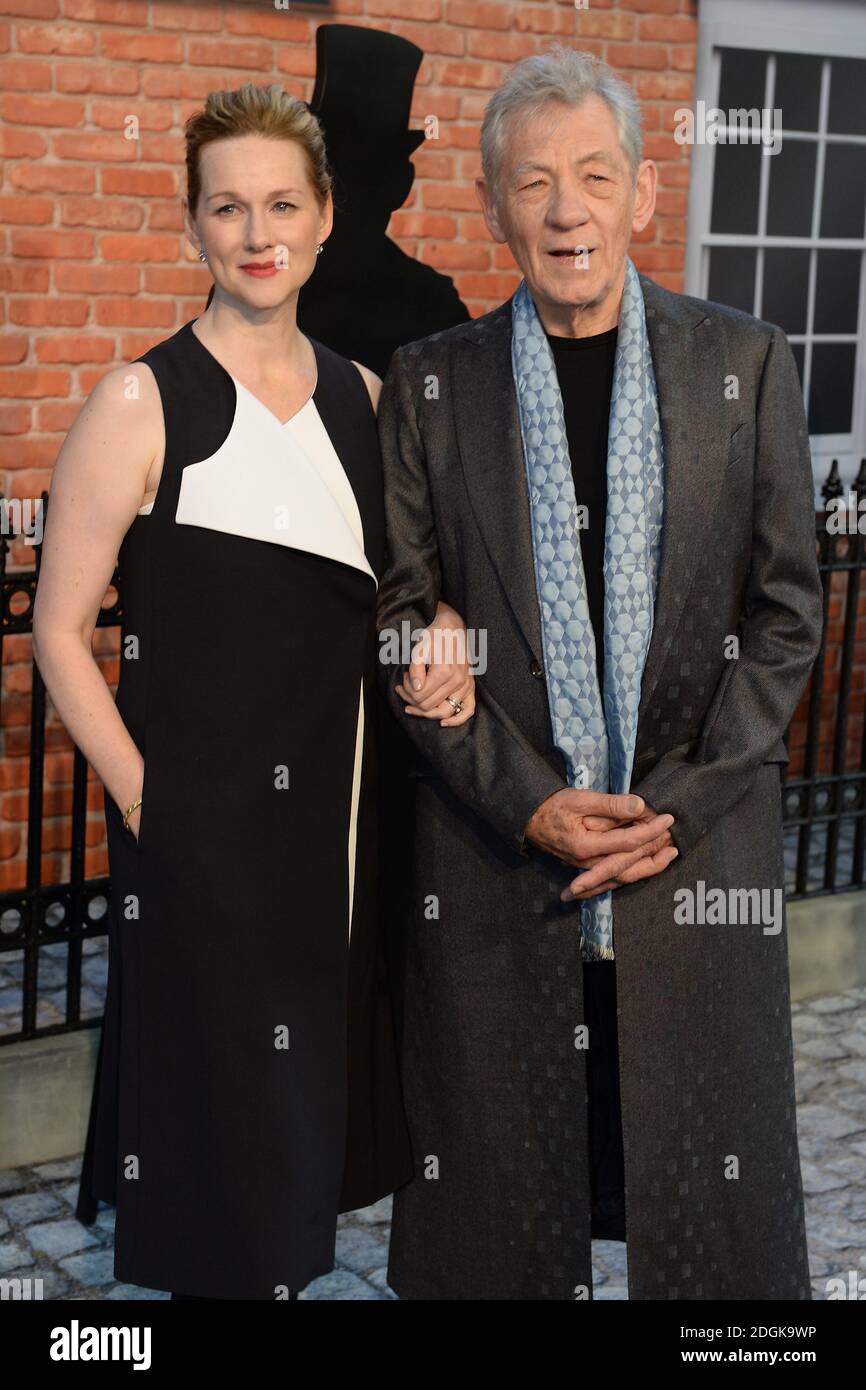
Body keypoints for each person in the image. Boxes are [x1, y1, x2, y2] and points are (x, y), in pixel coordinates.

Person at [376, 46, 822, 1300]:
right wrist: (526, 798)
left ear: (639, 194)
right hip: (498, 863)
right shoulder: (428, 383)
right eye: (532, 181)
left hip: (693, 861)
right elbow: (404, 614)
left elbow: (784, 611)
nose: (564, 209)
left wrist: (673, 802)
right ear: (491, 205)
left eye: (591, 175)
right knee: (503, 1220)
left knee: (702, 1228)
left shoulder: (743, 363)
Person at [32, 81, 476, 1301]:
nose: (257, 230)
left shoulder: (362, 402)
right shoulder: (139, 401)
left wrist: (438, 629)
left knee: (291, 1153)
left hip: (330, 842)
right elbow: (60, 635)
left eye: (282, 201)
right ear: (191, 227)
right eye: (227, 207)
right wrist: (148, 802)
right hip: (190, 834)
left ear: (326, 215)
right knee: (206, 1154)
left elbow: (401, 597)